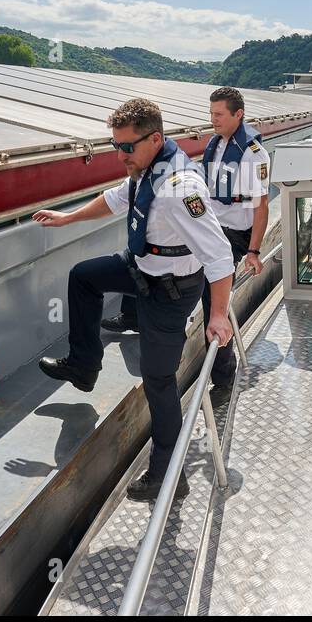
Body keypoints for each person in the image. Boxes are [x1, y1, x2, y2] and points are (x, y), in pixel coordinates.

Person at [33, 98, 235, 503]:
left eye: (127, 147)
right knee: (84, 278)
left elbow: (219, 256)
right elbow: (116, 199)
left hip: (171, 290)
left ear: (155, 138)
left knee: (158, 381)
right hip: (142, 267)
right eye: (114, 146)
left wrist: (217, 315)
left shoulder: (181, 189)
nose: (120, 155)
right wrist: (67, 218)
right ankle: (84, 366)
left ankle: (168, 475)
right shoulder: (145, 169)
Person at [103, 87, 270, 395]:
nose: (213, 120)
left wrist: (254, 250)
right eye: (211, 114)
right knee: (142, 252)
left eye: (219, 115)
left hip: (233, 234)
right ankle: (135, 316)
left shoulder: (253, 154)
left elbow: (261, 206)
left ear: (238, 115)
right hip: (208, 223)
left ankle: (223, 376)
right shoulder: (215, 146)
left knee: (211, 299)